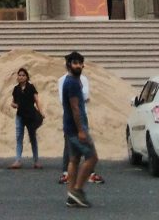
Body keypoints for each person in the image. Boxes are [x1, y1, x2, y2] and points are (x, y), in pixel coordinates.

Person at [61, 51, 98, 209]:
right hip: (76, 129)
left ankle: (71, 196)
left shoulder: (73, 81)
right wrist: (81, 130)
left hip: (69, 127)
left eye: (79, 63)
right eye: (74, 63)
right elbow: (75, 108)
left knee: (74, 159)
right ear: (69, 65)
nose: (77, 65)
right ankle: (77, 190)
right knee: (92, 157)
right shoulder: (73, 83)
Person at [8, 66, 42, 169]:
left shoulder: (31, 87)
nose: (21, 77)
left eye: (23, 75)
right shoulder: (16, 89)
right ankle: (18, 160)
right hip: (20, 116)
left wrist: (41, 112)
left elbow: (37, 100)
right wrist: (14, 105)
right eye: (19, 75)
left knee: (33, 138)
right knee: (19, 137)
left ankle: (36, 161)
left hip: (30, 116)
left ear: (27, 77)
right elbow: (13, 102)